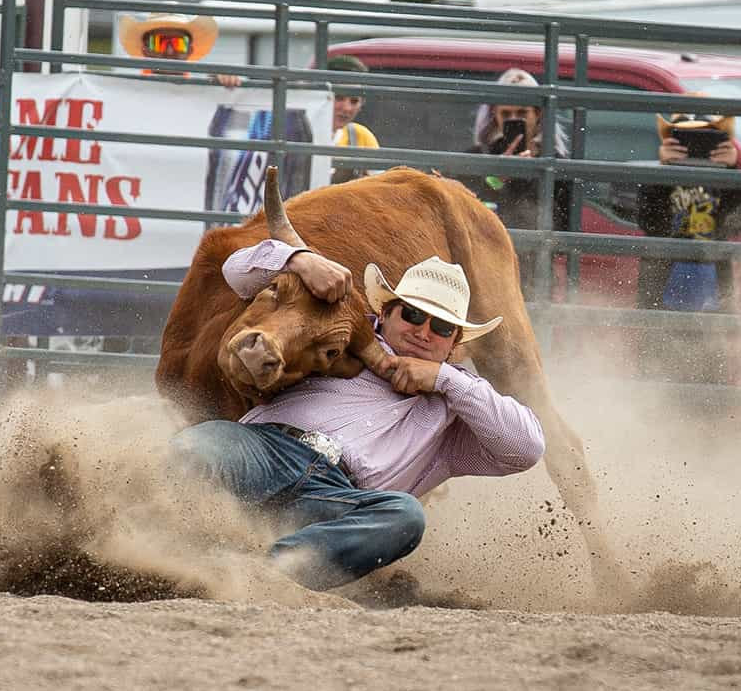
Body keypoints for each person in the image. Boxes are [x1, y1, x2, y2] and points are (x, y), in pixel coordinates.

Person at [170, 245, 546, 591]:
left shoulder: (456, 405)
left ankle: (268, 576)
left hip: (337, 496)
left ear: (454, 343)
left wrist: (443, 380)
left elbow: (527, 447)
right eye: (413, 314)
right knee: (198, 446)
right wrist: (298, 261)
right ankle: (165, 539)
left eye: (442, 327)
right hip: (266, 449)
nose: (423, 331)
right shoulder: (339, 324)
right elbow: (236, 271)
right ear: (386, 311)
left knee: (405, 517)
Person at [635, 107, 741, 312]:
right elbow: (650, 221)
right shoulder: (660, 178)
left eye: (704, 138)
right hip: (663, 274)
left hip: (712, 273)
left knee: (713, 338)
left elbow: (740, 221)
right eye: (684, 139)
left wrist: (733, 172)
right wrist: (663, 171)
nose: (694, 146)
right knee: (656, 335)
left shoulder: (725, 180)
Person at [465, 68, 572, 232]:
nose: (514, 119)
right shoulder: (476, 157)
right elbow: (466, 212)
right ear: (495, 114)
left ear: (538, 114)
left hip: (534, 254)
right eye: (506, 113)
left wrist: (529, 177)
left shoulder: (555, 164)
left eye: (522, 112)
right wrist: (496, 179)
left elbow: (561, 224)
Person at [118, 12, 242, 88]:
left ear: (190, 50)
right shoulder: (125, 88)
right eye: (159, 42)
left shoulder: (204, 88)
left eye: (179, 43)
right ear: (145, 50)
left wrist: (224, 83)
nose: (170, 51)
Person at [325, 55, 379, 184]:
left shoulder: (361, 136)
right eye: (339, 97)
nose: (346, 108)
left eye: (354, 101)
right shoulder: (298, 133)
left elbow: (380, 185)